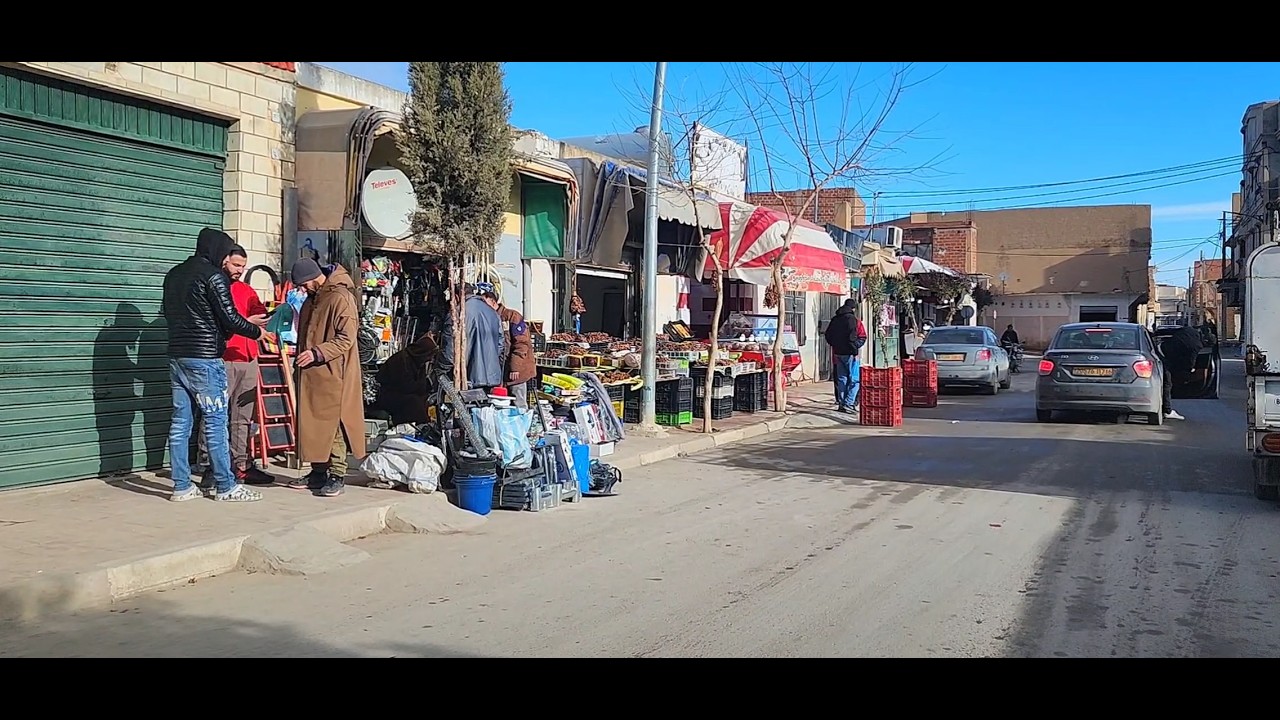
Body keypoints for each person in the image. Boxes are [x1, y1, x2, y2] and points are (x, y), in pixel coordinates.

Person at [162, 228, 268, 503]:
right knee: (216, 422)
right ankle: (225, 485)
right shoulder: (213, 277)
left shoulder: (173, 275)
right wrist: (257, 332)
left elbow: (168, 313)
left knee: (180, 423)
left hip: (177, 357)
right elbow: (231, 318)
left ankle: (182, 486)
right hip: (206, 358)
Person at [196, 244, 275, 489]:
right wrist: (245, 322)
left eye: (243, 266)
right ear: (224, 262)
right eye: (236, 265)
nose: (240, 270)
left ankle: (242, 464)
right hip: (224, 357)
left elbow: (258, 312)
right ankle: (209, 463)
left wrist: (267, 314)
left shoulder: (245, 289)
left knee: (242, 416)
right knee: (215, 412)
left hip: (248, 357)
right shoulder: (215, 286)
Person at [288, 258, 366, 498]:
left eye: (303, 285)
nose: (301, 290)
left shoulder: (340, 298)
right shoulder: (313, 299)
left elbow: (346, 338)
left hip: (334, 373)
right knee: (312, 425)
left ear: (313, 279)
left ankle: (337, 474)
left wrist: (317, 353)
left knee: (334, 426)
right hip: (311, 373)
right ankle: (318, 471)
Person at [438, 284, 505, 393]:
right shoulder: (493, 313)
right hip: (492, 376)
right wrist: (490, 360)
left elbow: (450, 351)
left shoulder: (457, 314)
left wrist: (440, 368)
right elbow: (501, 344)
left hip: (468, 378)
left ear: (456, 296)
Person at [480, 288, 535, 409]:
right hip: (498, 371)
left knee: (518, 401)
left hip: (516, 371)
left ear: (493, 302)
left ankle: (521, 424)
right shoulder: (487, 319)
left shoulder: (512, 316)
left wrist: (515, 367)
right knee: (499, 403)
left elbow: (521, 344)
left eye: (485, 303)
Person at [823, 298, 868, 414]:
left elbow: (828, 335)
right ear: (853, 308)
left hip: (837, 353)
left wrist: (835, 345)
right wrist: (855, 347)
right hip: (851, 354)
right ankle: (849, 403)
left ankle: (842, 403)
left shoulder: (835, 320)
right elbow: (862, 336)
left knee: (842, 379)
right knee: (855, 380)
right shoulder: (855, 321)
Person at [1158, 324, 1202, 422]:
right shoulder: (1196, 346)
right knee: (1167, 384)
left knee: (1163, 382)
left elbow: (1170, 331)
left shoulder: (1189, 330)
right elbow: (1191, 362)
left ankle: (1163, 407)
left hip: (1159, 349)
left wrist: (1154, 334)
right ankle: (1167, 411)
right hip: (1166, 358)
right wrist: (1189, 371)